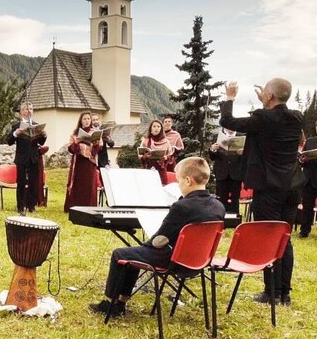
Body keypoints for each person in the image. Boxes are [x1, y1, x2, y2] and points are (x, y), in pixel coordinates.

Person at [90, 157, 226, 317]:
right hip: (200, 260)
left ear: (188, 180)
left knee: (121, 254)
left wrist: (144, 246)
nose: (179, 185)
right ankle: (120, 302)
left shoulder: (182, 206)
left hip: (175, 261)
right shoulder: (219, 206)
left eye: (179, 180)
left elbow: (159, 241)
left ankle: (112, 304)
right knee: (134, 254)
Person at [220, 78, 304, 305]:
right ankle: (284, 292)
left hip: (268, 188)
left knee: (269, 238)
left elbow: (227, 120)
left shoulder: (263, 118)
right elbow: (274, 116)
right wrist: (266, 101)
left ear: (270, 96)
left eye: (265, 91)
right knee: (285, 239)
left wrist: (230, 97)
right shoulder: (297, 117)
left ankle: (272, 292)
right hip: (292, 186)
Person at [5, 102, 43, 213]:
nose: (29, 111)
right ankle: (20, 206)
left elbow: (40, 142)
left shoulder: (36, 125)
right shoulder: (17, 126)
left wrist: (43, 135)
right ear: (21, 112)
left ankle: (31, 206)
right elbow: (9, 141)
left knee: (33, 182)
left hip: (34, 157)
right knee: (21, 182)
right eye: (26, 109)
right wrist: (16, 134)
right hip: (21, 158)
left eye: (31, 108)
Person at [66, 111, 103, 209]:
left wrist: (96, 144)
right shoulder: (75, 134)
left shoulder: (94, 132)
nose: (87, 121)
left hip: (90, 163)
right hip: (78, 163)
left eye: (88, 119)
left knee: (89, 185)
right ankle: (75, 205)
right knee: (78, 185)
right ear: (81, 121)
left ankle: (89, 206)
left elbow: (98, 149)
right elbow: (71, 149)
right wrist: (76, 143)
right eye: (84, 119)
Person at [208, 130, 243, 215]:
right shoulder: (217, 136)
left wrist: (243, 153)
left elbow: (247, 156)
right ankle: (221, 217)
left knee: (235, 198)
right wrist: (213, 149)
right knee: (221, 197)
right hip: (221, 172)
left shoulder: (241, 136)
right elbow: (212, 157)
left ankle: (235, 218)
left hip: (236, 172)